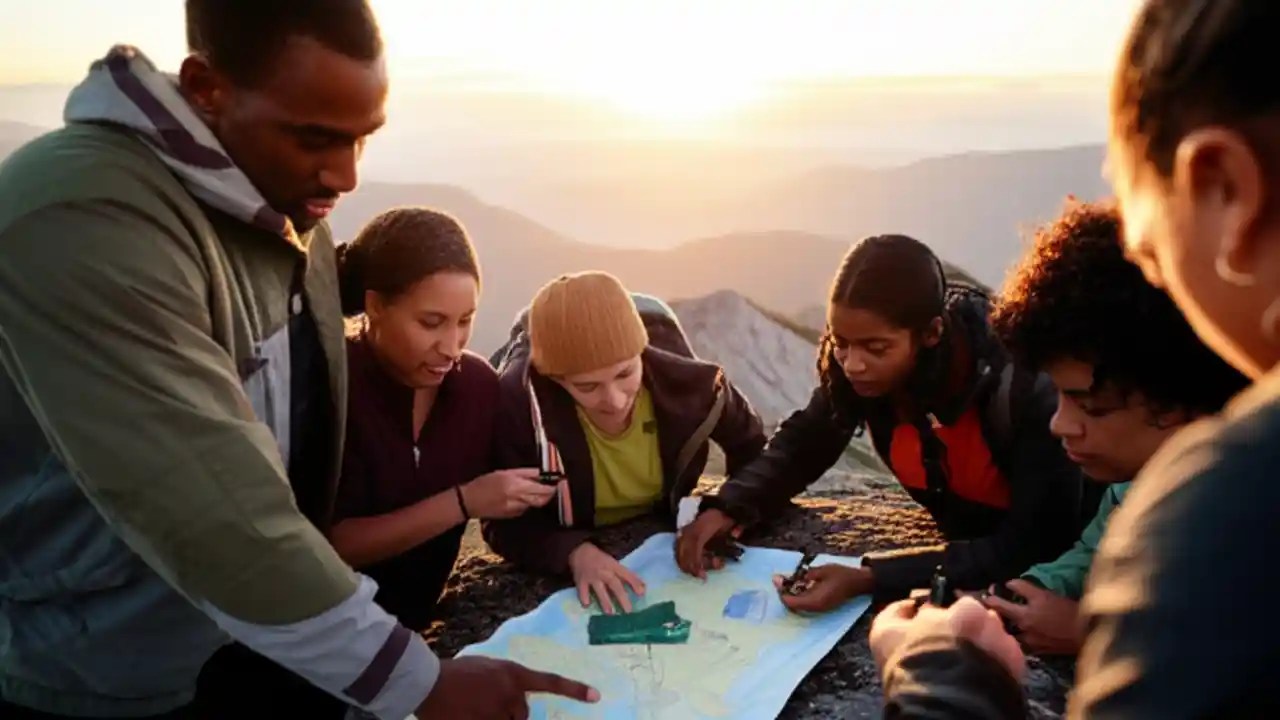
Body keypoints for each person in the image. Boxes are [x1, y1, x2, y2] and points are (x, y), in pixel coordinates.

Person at [0, 2, 594, 718]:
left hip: (261, 646)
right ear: (206, 86)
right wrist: (420, 683)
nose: (344, 175)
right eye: (315, 136)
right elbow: (215, 513)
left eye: (361, 139)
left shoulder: (278, 201)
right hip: (105, 667)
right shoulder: (83, 217)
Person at [874, 1, 1280, 716]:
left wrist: (940, 674)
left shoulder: (1235, 505)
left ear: (1227, 186)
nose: (1155, 274)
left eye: (1152, 237)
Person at [678, 234, 1089, 609]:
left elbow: (1035, 543)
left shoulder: (1022, 390)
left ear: (931, 333)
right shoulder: (863, 376)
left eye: (876, 348)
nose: (853, 364)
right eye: (840, 343)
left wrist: (871, 577)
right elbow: (806, 442)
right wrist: (731, 505)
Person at [978, 200, 1247, 657]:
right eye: (1061, 397)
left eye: (1093, 409)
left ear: (1180, 398)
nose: (1060, 424)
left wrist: (1095, 635)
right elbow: (1095, 554)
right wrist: (1016, 598)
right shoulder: (1135, 481)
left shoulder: (1254, 502)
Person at [483, 271, 767, 614]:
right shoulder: (517, 409)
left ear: (641, 353)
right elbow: (501, 521)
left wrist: (726, 509)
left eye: (625, 374)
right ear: (556, 380)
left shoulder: (695, 386)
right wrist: (573, 552)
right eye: (587, 387)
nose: (614, 400)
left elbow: (755, 452)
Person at [332, 207, 555, 629]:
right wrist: (462, 502)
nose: (451, 347)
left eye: (465, 322)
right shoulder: (331, 388)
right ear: (375, 305)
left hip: (415, 629)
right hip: (318, 641)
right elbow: (326, 546)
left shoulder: (475, 387)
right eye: (431, 323)